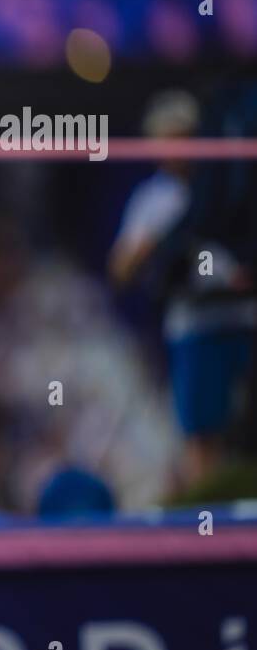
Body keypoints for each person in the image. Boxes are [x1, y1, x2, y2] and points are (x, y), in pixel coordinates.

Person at [108, 89, 256, 491]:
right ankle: (207, 517)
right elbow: (120, 269)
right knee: (201, 433)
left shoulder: (237, 181)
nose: (176, 149)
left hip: (244, 318)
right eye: (166, 141)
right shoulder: (155, 199)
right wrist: (156, 243)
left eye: (185, 136)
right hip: (195, 325)